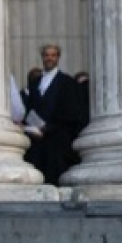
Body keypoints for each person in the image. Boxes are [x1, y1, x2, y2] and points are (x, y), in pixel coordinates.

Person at [23, 44, 85, 185]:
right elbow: (30, 110)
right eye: (46, 55)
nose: (49, 58)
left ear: (58, 58)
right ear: (42, 57)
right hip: (37, 142)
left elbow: (72, 113)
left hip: (58, 142)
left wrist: (48, 127)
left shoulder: (67, 82)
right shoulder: (35, 83)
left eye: (53, 55)